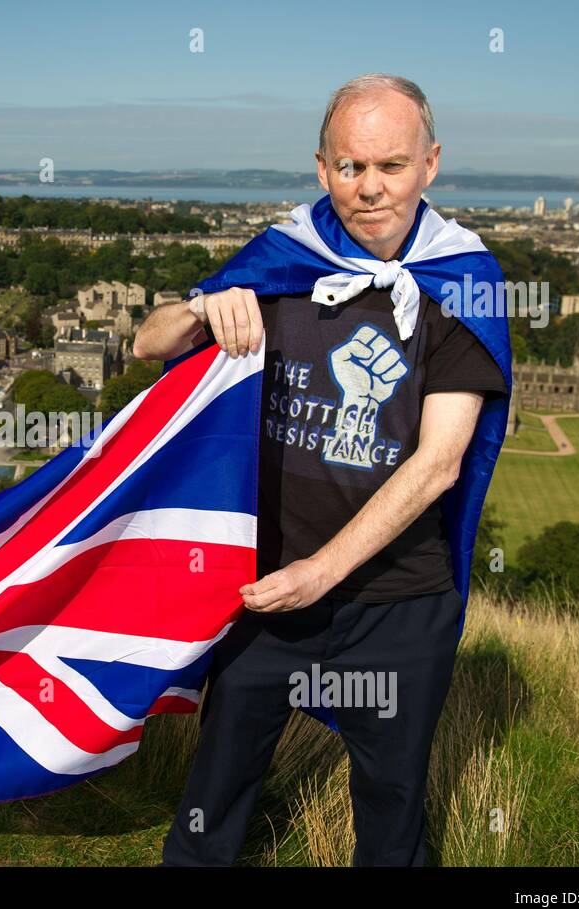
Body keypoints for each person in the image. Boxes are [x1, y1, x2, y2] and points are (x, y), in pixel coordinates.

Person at [132, 74, 511, 866]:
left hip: (396, 600)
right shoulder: (281, 259)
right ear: (321, 167)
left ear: (431, 165)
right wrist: (203, 306)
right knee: (220, 778)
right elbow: (149, 343)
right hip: (264, 590)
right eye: (350, 167)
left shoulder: (464, 281)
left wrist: (325, 570)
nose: (369, 188)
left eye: (392, 166)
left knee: (392, 795)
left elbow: (441, 463)